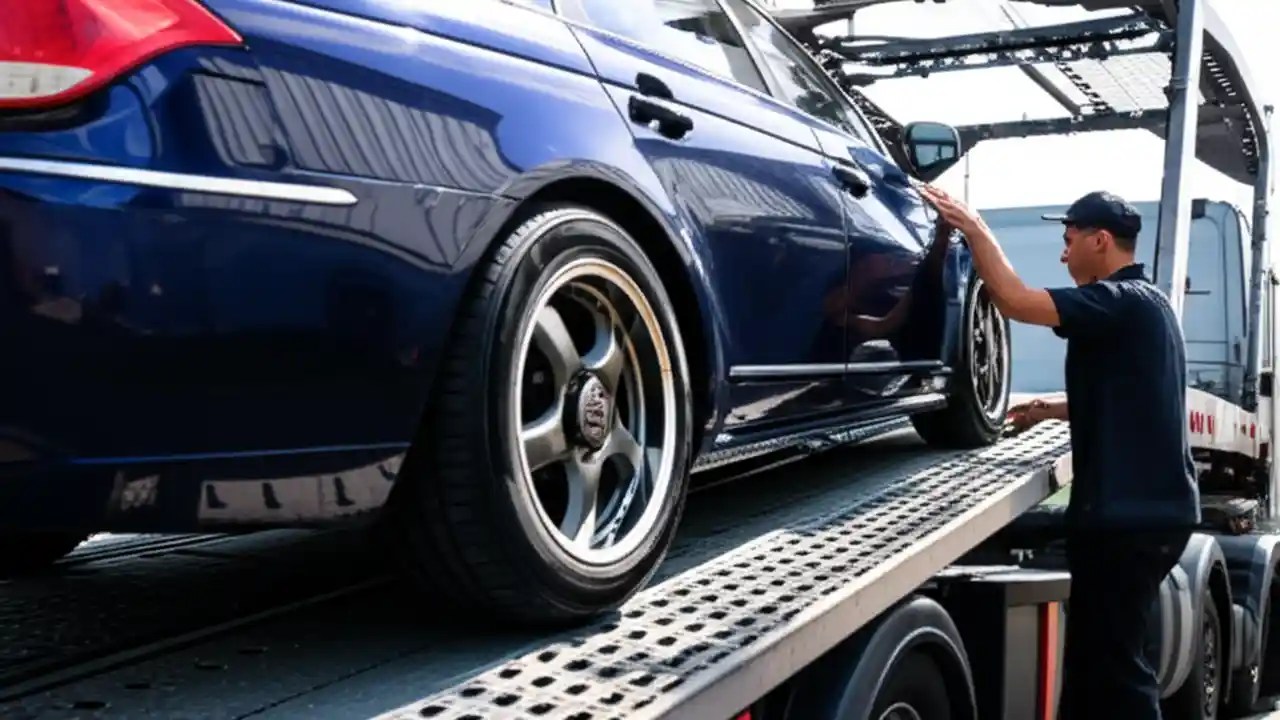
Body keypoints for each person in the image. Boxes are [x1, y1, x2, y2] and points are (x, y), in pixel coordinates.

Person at [918, 186, 1200, 720]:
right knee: (1096, 666)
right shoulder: (1148, 305)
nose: (1063, 253)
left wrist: (975, 228)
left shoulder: (1118, 302)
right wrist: (1048, 408)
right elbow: (1126, 394)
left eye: (1069, 240)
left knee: (1115, 671)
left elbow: (1016, 301)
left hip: (1128, 521)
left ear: (1100, 240)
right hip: (1143, 517)